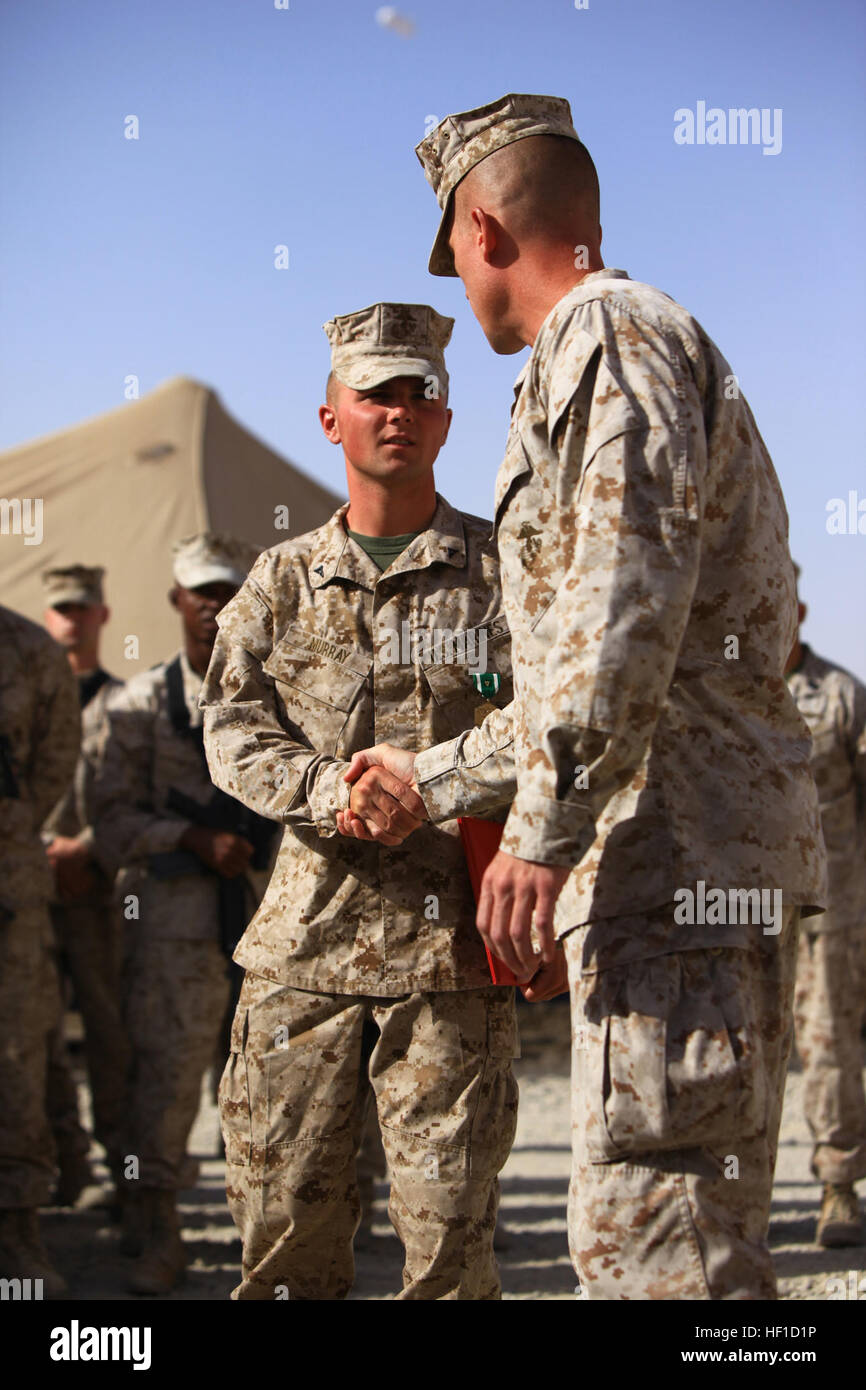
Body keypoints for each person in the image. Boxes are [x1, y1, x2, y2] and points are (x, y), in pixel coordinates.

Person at [339, 94, 827, 1299]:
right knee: (666, 1254)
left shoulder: (605, 336)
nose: (458, 282)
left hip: (672, 871)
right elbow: (581, 659)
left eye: (451, 250)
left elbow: (624, 598)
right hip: (665, 873)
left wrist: (544, 836)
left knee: (667, 1272)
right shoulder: (604, 349)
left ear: (484, 226)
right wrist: (429, 779)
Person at [200, 302, 539, 1301]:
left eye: (418, 393)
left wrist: (431, 787)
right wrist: (331, 795)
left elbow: (558, 719)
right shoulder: (278, 581)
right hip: (301, 957)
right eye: (373, 394)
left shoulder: (506, 575)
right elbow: (230, 723)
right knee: (283, 1243)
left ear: (444, 418)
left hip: (450, 968)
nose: (397, 410)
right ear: (329, 420)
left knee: (448, 1251)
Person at [92, 532, 269, 1295]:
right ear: (176, 600)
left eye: (228, 592)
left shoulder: (279, 702)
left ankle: (267, 1244)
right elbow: (108, 825)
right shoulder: (133, 709)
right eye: (201, 593)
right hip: (173, 926)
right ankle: (158, 1229)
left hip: (263, 926)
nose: (214, 607)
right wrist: (190, 837)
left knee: (266, 1091)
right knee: (163, 1082)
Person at [41, 564, 128, 1205]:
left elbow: (145, 798)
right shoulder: (25, 697)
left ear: (102, 615)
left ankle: (127, 1181)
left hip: (102, 895)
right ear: (49, 618)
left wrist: (87, 848)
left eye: (82, 608)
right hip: (29, 895)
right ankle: (65, 1168)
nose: (72, 619)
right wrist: (45, 850)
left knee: (111, 1037)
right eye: (61, 609)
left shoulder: (128, 704)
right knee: (34, 1037)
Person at [0, 604, 80, 1294]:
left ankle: (17, 1229)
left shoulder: (30, 650)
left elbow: (55, 764)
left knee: (17, 1053)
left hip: (7, 888)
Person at [786, 571, 866, 1247]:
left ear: (800, 608)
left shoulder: (840, 696)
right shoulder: (714, 693)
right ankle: (735, 1195)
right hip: (730, 911)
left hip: (829, 914)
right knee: (728, 1051)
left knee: (831, 1048)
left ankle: (838, 1186)